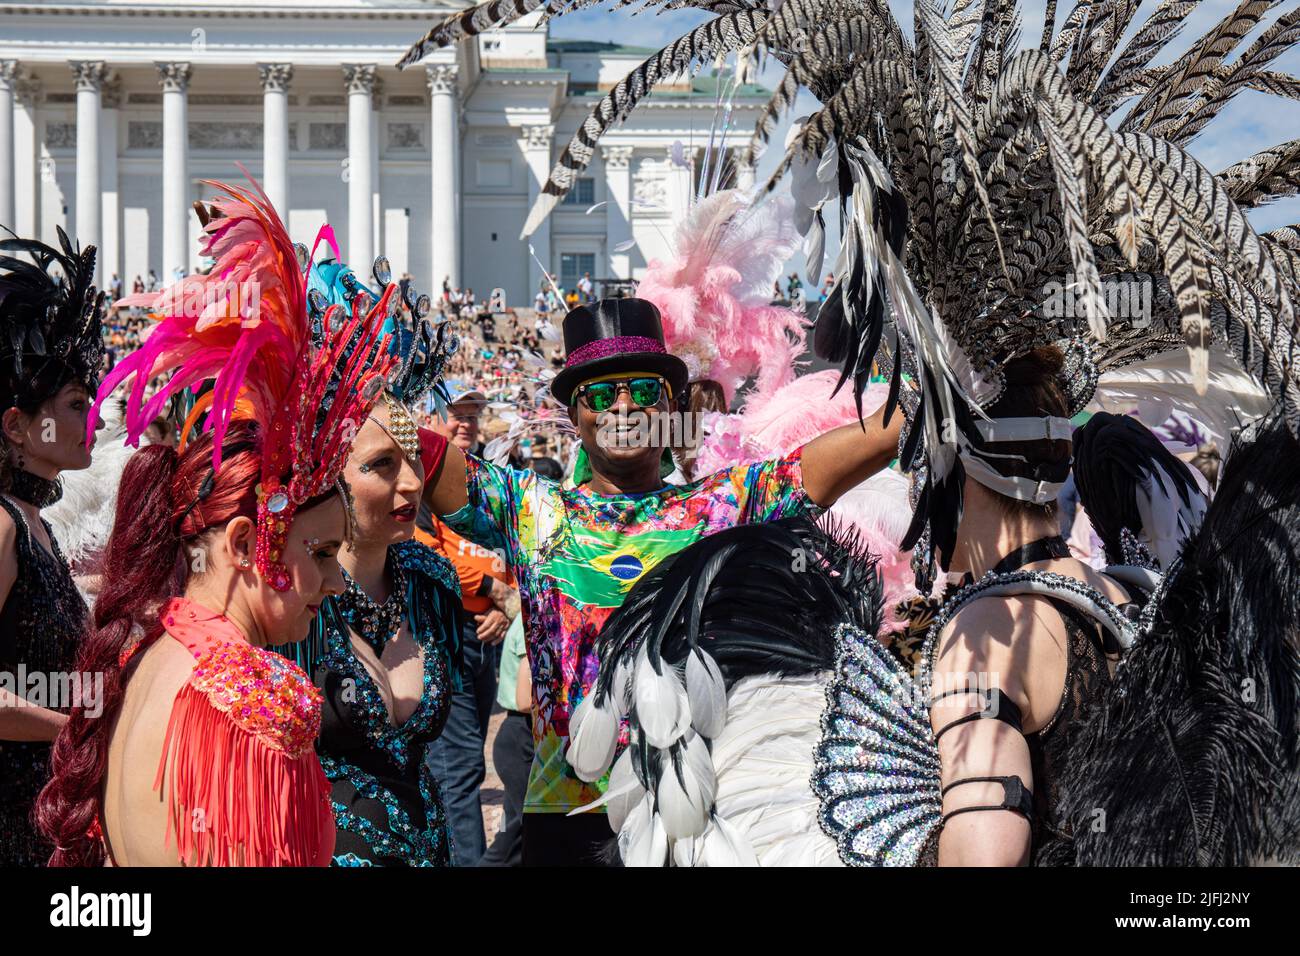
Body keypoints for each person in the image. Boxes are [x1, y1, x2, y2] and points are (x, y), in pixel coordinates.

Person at [421, 297, 902, 865]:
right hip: (568, 817)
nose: (624, 407)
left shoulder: (721, 505)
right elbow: (414, 453)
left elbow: (851, 451)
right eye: (600, 394)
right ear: (575, 416)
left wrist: (942, 392)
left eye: (644, 391)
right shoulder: (533, 509)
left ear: (670, 406)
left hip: (691, 809)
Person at [36, 179, 393, 866]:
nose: (335, 581)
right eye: (319, 552)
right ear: (240, 542)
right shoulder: (253, 696)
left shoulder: (139, 656)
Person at [285, 259, 465, 866]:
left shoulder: (431, 582)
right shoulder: (288, 593)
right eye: (381, 465)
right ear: (328, 472)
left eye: (413, 460)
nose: (412, 484)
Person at [0, 228, 107, 865]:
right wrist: (73, 728)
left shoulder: (36, 525)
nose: (91, 414)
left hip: (52, 816)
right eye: (73, 403)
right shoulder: (5, 525)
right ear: (17, 425)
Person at [417, 383, 518, 865]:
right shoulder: (418, 474)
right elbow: (419, 550)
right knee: (456, 769)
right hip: (442, 634)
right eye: (456, 413)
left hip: (484, 637)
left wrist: (502, 606)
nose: (465, 424)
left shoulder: (490, 483)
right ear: (430, 418)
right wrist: (494, 592)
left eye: (473, 415)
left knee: (466, 765)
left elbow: (512, 548)